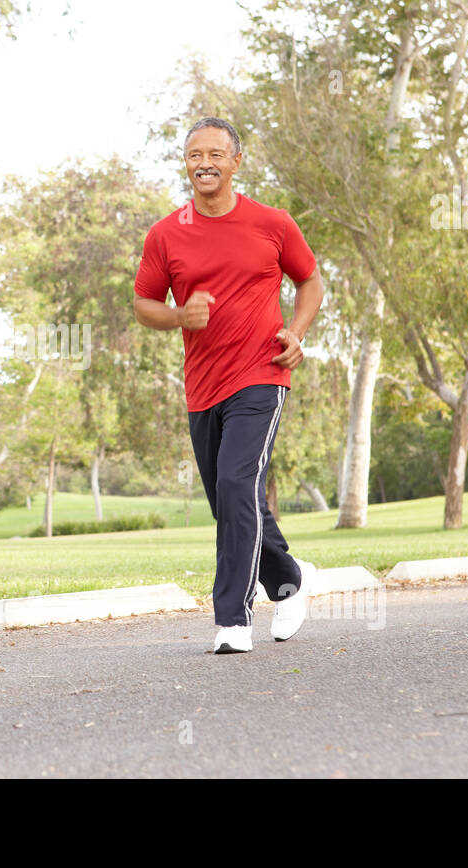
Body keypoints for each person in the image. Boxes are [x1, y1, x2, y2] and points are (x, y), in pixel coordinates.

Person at [133, 116, 324, 653]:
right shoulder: (167, 233)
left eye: (216, 154)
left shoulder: (272, 222)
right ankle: (290, 579)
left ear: (236, 162)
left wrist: (297, 330)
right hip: (203, 385)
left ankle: (232, 621)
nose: (205, 163)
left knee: (239, 486)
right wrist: (177, 318)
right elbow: (144, 303)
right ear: (186, 164)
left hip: (262, 375)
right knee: (230, 500)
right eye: (195, 155)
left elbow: (309, 278)